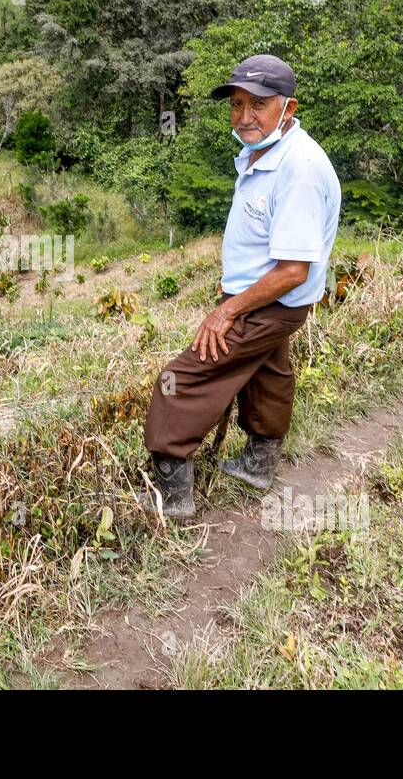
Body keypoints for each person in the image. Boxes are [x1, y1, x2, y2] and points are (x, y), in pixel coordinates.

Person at [139, 54, 341, 519]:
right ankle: (258, 465)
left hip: (272, 303)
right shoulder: (264, 151)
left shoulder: (300, 169)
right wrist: (232, 282)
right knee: (269, 372)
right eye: (236, 103)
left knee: (184, 379)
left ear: (288, 109)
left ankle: (173, 498)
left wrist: (228, 311)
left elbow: (293, 270)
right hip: (262, 297)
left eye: (259, 105)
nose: (245, 117)